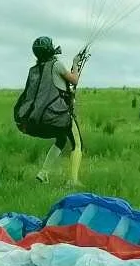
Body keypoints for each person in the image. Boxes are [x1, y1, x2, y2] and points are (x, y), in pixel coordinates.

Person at [13, 37, 86, 184]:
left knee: (61, 139)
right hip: (56, 117)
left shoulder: (33, 70)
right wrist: (75, 64)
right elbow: (74, 80)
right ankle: (73, 181)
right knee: (77, 144)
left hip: (35, 121)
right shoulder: (56, 65)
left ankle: (43, 173)